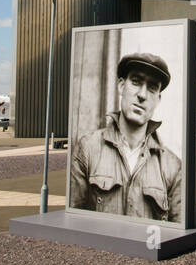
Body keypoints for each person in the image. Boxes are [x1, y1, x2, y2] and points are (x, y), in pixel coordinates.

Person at [70, 52, 183, 223]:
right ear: (121, 86)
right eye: (136, 82)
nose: (142, 95)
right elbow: (73, 220)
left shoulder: (172, 166)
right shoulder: (88, 148)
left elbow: (178, 232)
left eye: (152, 87)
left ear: (158, 99)